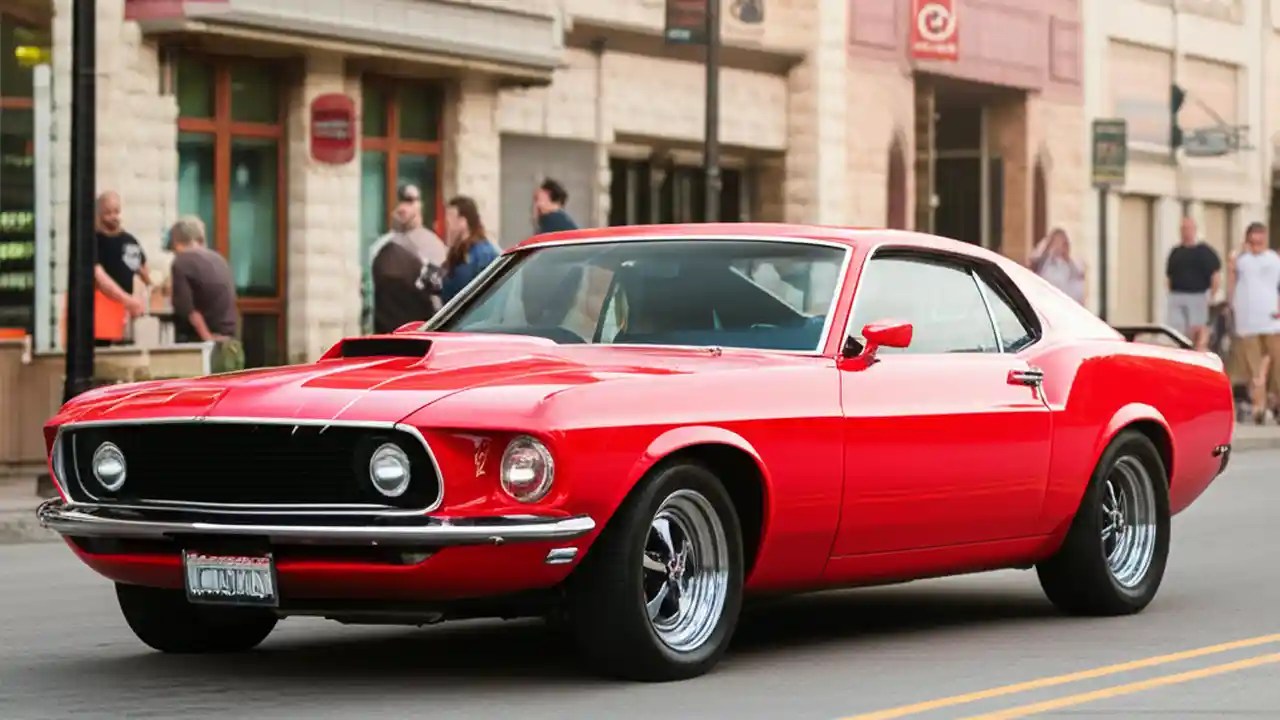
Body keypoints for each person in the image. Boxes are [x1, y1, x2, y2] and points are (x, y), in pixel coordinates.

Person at [166, 216, 244, 372]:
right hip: (232, 345)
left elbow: (188, 309)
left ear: (176, 241)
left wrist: (207, 338)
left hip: (206, 349)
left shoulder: (182, 262)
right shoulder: (219, 259)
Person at [370, 184, 448, 333]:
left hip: (418, 327)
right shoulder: (383, 245)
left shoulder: (431, 245)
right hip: (385, 328)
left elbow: (437, 292)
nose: (404, 208)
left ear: (420, 206)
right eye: (401, 201)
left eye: (410, 202)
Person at [1226, 222, 1280, 425]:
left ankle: (1275, 402)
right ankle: (1259, 407)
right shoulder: (1241, 260)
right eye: (1253, 241)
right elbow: (1231, 280)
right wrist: (1231, 306)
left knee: (1277, 365)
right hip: (1247, 323)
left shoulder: (1274, 260)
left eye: (1260, 241)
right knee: (1254, 369)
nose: (1256, 246)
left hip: (1272, 321)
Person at [93, 191, 151, 344]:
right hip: (101, 311)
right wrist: (128, 301)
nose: (113, 217)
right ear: (98, 214)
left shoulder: (129, 241)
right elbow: (100, 277)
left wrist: (137, 300)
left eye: (116, 211)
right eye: (108, 213)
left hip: (125, 314)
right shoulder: (94, 240)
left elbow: (143, 275)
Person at [1165, 216, 1221, 350]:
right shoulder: (1175, 252)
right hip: (1177, 296)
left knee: (1198, 332)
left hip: (1198, 297)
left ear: (1195, 230)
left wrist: (1211, 296)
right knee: (1177, 332)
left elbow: (1216, 276)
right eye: (1183, 229)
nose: (1186, 232)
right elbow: (1169, 276)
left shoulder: (1205, 252)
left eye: (1189, 228)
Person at [441, 195, 499, 303]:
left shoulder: (481, 255)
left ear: (463, 222)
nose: (447, 228)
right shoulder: (459, 253)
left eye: (448, 223)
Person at [1028, 227, 1086, 306]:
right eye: (1056, 241)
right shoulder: (1045, 261)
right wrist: (1047, 249)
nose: (1059, 245)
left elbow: (1079, 285)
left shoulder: (1073, 265)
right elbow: (1033, 263)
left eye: (1062, 242)